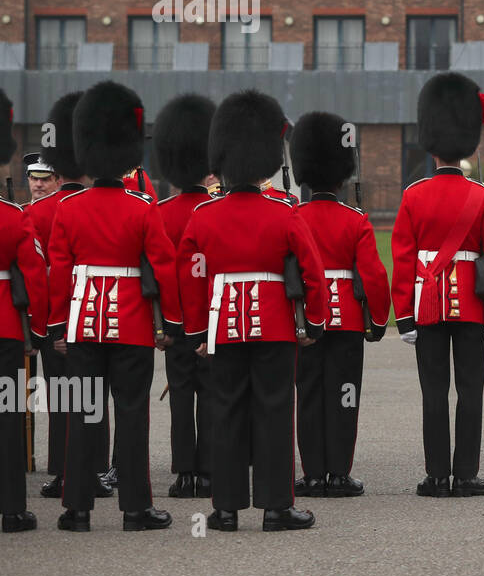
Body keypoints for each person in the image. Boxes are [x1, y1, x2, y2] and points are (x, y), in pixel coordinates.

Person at [177, 90, 327, 533]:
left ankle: (225, 510)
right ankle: (277, 508)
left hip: (222, 326)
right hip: (276, 327)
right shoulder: (284, 214)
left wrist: (197, 331)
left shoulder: (204, 216)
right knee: (275, 414)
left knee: (224, 414)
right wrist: (313, 322)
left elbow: (189, 276)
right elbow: (313, 272)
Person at [47, 81, 183, 533]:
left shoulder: (69, 209)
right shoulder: (143, 208)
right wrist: (173, 325)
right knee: (132, 416)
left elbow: (59, 275)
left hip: (83, 325)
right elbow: (164, 269)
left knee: (82, 415)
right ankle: (135, 509)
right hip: (131, 326)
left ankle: (77, 508)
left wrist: (56, 328)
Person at [391, 74, 484, 498]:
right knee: (470, 393)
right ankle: (465, 475)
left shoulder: (413, 195)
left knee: (432, 395)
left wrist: (404, 315)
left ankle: (435, 476)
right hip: (471, 307)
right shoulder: (480, 196)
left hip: (426, 305)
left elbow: (403, 260)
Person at [290, 111, 390, 498]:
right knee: (345, 395)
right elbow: (375, 277)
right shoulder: (355, 219)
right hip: (346, 320)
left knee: (309, 394)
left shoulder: (294, 216)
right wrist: (377, 320)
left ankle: (312, 474)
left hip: (304, 322)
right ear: (341, 175)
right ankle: (338, 474)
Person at [24, 92, 111, 502]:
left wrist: (43, 324)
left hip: (53, 315)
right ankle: (98, 467)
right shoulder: (96, 205)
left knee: (62, 397)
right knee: (95, 394)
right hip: (97, 311)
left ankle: (63, 471)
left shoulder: (35, 214)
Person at [152, 93, 218, 499]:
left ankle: (184, 474)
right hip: (208, 321)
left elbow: (159, 274)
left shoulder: (160, 212)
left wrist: (163, 324)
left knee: (180, 397)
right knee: (210, 397)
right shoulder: (215, 210)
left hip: (174, 323)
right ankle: (208, 470)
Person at [0, 91, 49, 533]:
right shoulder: (14, 217)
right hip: (5, 329)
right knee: (9, 417)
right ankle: (12, 509)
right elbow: (34, 278)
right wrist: (36, 328)